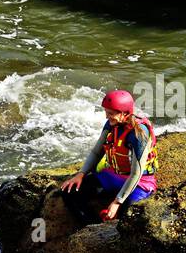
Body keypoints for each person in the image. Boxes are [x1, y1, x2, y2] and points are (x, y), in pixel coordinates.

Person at [60, 89, 158, 224]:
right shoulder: (112, 124)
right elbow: (96, 152)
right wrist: (81, 174)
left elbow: (136, 173)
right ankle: (91, 228)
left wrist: (118, 201)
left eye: (111, 113)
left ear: (124, 113)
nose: (107, 117)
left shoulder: (139, 134)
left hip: (139, 183)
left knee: (130, 217)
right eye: (106, 112)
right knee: (70, 192)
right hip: (113, 176)